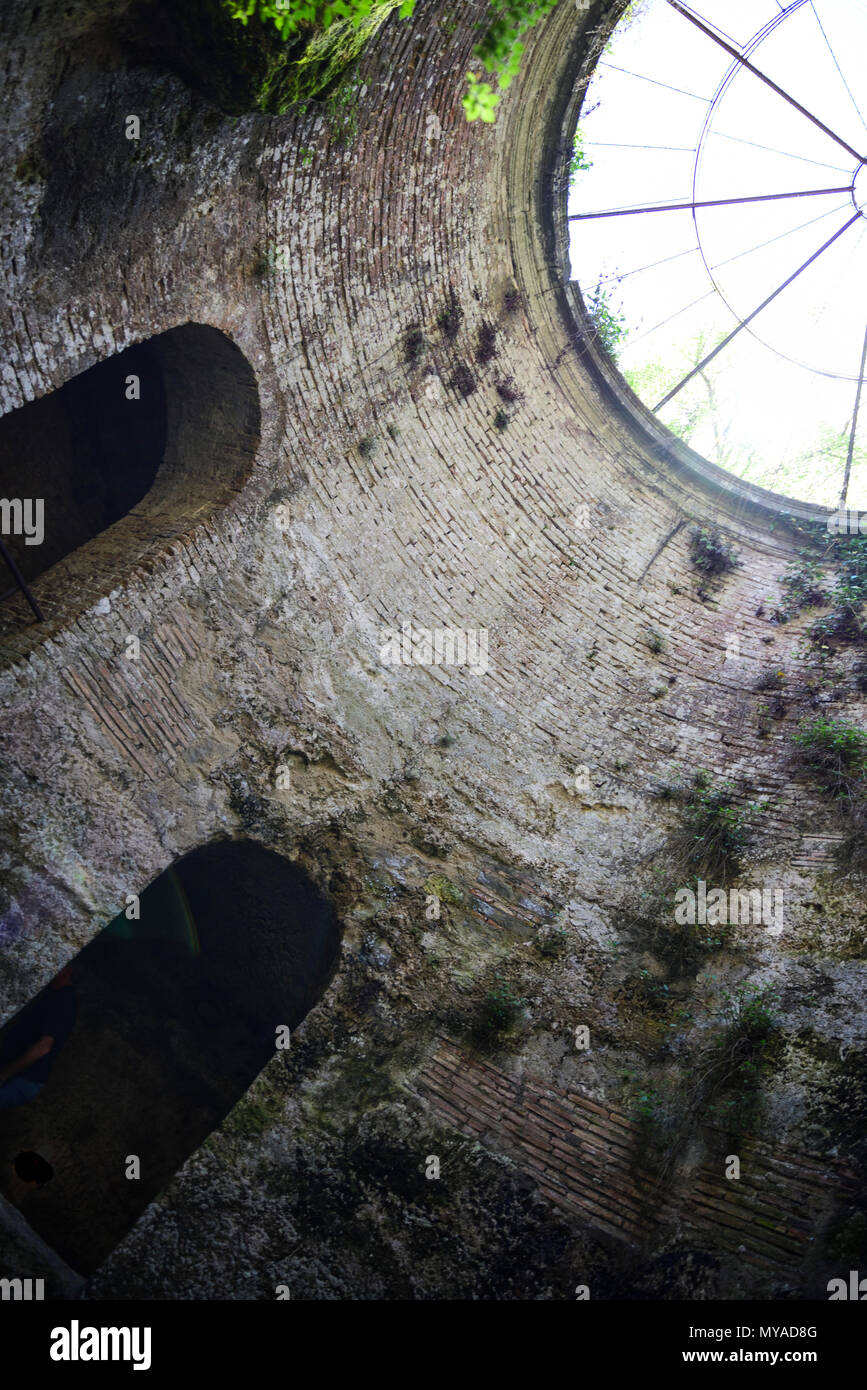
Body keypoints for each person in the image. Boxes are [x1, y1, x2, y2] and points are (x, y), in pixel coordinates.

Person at [0, 964, 77, 1109]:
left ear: (67, 970)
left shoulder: (63, 1001)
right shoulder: (55, 997)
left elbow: (43, 1047)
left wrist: (5, 1074)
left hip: (21, 1079)